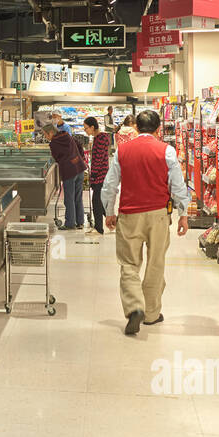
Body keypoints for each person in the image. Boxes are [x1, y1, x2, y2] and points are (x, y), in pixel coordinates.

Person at [101, 109, 191, 335]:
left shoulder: (122, 151)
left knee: (129, 264)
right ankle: (151, 314)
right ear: (159, 130)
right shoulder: (167, 151)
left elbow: (110, 185)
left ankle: (134, 308)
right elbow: (178, 185)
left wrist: (109, 212)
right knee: (156, 263)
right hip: (159, 214)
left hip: (129, 214)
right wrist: (183, 213)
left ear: (136, 129)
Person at [44, 122, 84, 230]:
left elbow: (56, 158)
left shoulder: (54, 143)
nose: (45, 137)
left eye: (46, 135)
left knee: (69, 198)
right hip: (79, 167)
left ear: (51, 132)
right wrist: (79, 158)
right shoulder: (66, 135)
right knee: (78, 197)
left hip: (69, 171)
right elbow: (79, 145)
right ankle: (80, 222)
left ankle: (70, 223)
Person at [83, 116, 112, 235]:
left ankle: (99, 228)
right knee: (100, 202)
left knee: (96, 202)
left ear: (92, 127)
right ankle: (116, 223)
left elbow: (98, 159)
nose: (85, 131)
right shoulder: (100, 138)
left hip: (100, 175)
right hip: (102, 173)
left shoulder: (99, 139)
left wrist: (93, 175)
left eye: (86, 128)